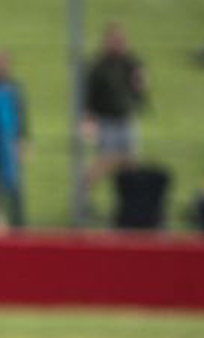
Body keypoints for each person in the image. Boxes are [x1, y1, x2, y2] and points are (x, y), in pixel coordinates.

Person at [81, 23, 146, 209]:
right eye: (114, 40)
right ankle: (84, 197)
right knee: (106, 160)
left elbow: (139, 90)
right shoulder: (98, 66)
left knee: (131, 164)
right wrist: (87, 121)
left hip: (126, 119)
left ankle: (129, 204)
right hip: (106, 121)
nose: (118, 44)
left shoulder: (130, 62)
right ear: (106, 42)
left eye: (121, 41)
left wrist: (140, 87)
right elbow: (88, 95)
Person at [0, 50, 29, 228]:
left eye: (2, 63)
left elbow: (21, 115)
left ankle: (19, 226)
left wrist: (23, 138)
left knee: (13, 186)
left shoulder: (13, 88)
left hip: (8, 143)